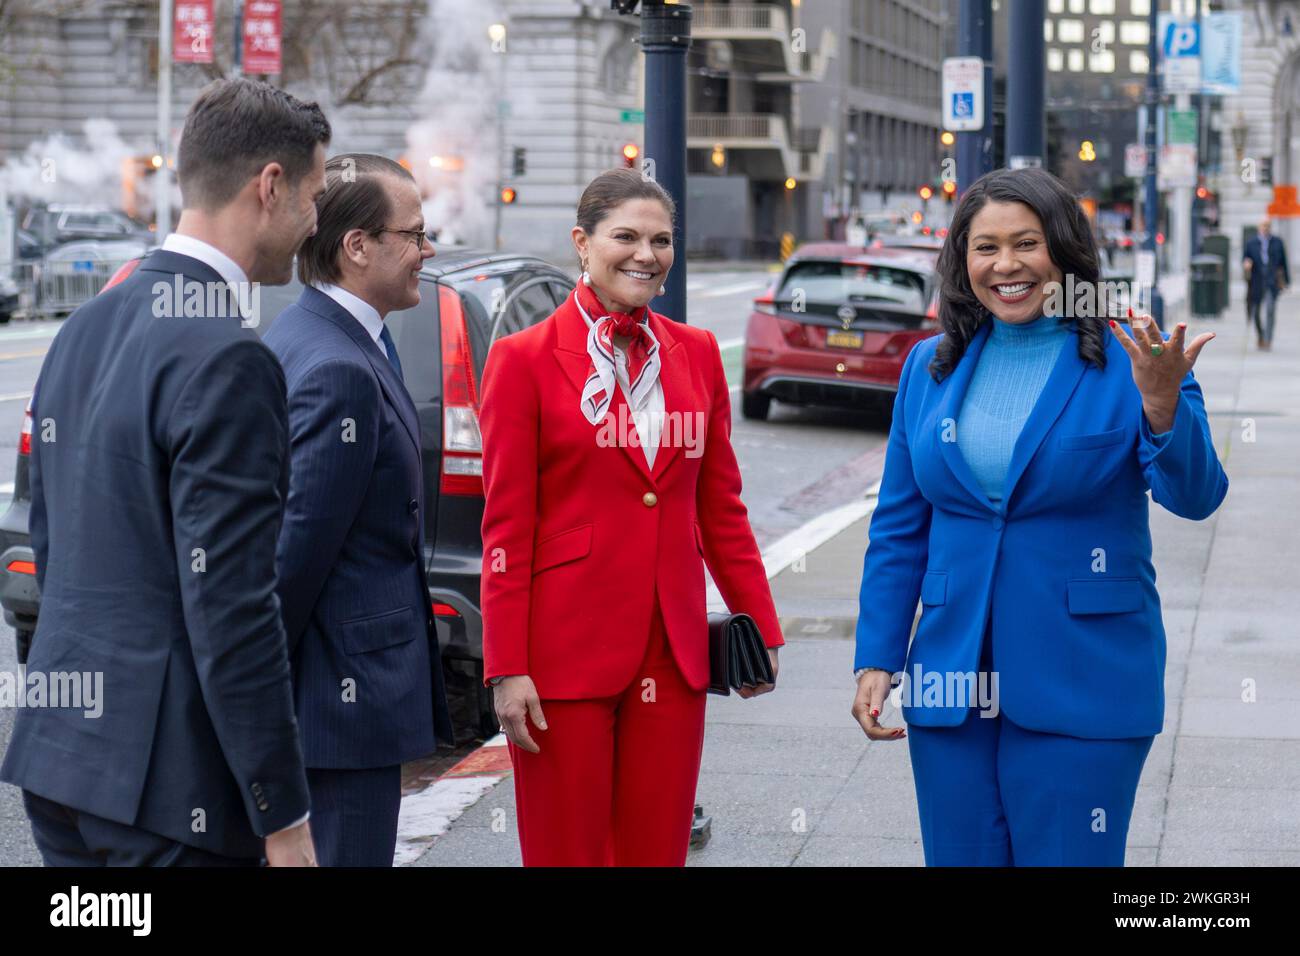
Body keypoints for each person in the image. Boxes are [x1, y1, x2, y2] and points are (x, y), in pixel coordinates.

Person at [850, 167, 1229, 866]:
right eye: (985, 248)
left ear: (1064, 250)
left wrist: (1162, 407)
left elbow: (1197, 496)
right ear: (962, 261)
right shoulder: (927, 366)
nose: (1006, 265)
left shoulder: (1133, 357)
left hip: (1084, 679)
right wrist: (877, 654)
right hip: (951, 682)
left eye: (1026, 244)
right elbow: (900, 526)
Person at [0, 78, 330, 866]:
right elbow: (233, 605)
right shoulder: (231, 355)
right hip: (171, 793)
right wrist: (283, 817)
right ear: (271, 186)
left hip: (62, 765)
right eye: (316, 195)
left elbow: (53, 545)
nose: (316, 221)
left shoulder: (85, 325)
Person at [478, 167, 783, 866]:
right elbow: (505, 527)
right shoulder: (520, 361)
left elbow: (721, 508)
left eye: (661, 240)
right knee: (567, 852)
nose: (646, 254)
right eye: (626, 237)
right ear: (583, 244)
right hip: (561, 654)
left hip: (672, 655)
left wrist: (760, 627)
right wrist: (507, 667)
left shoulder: (699, 354)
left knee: (657, 850)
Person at [264, 154, 453, 867]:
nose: (427, 250)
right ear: (357, 246)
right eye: (414, 234)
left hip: (338, 697)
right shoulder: (339, 365)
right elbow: (294, 554)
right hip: (339, 708)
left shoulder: (321, 333)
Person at [1243, 218, 1289, 351]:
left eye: (1268, 226)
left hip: (1272, 281)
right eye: (1263, 226)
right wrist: (1246, 264)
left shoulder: (1277, 242)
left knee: (1270, 310)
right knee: (1255, 312)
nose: (1266, 228)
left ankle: (1268, 339)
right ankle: (1261, 335)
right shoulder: (1251, 243)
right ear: (1259, 228)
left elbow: (1283, 263)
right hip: (1256, 282)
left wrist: (1286, 281)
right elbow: (1245, 257)